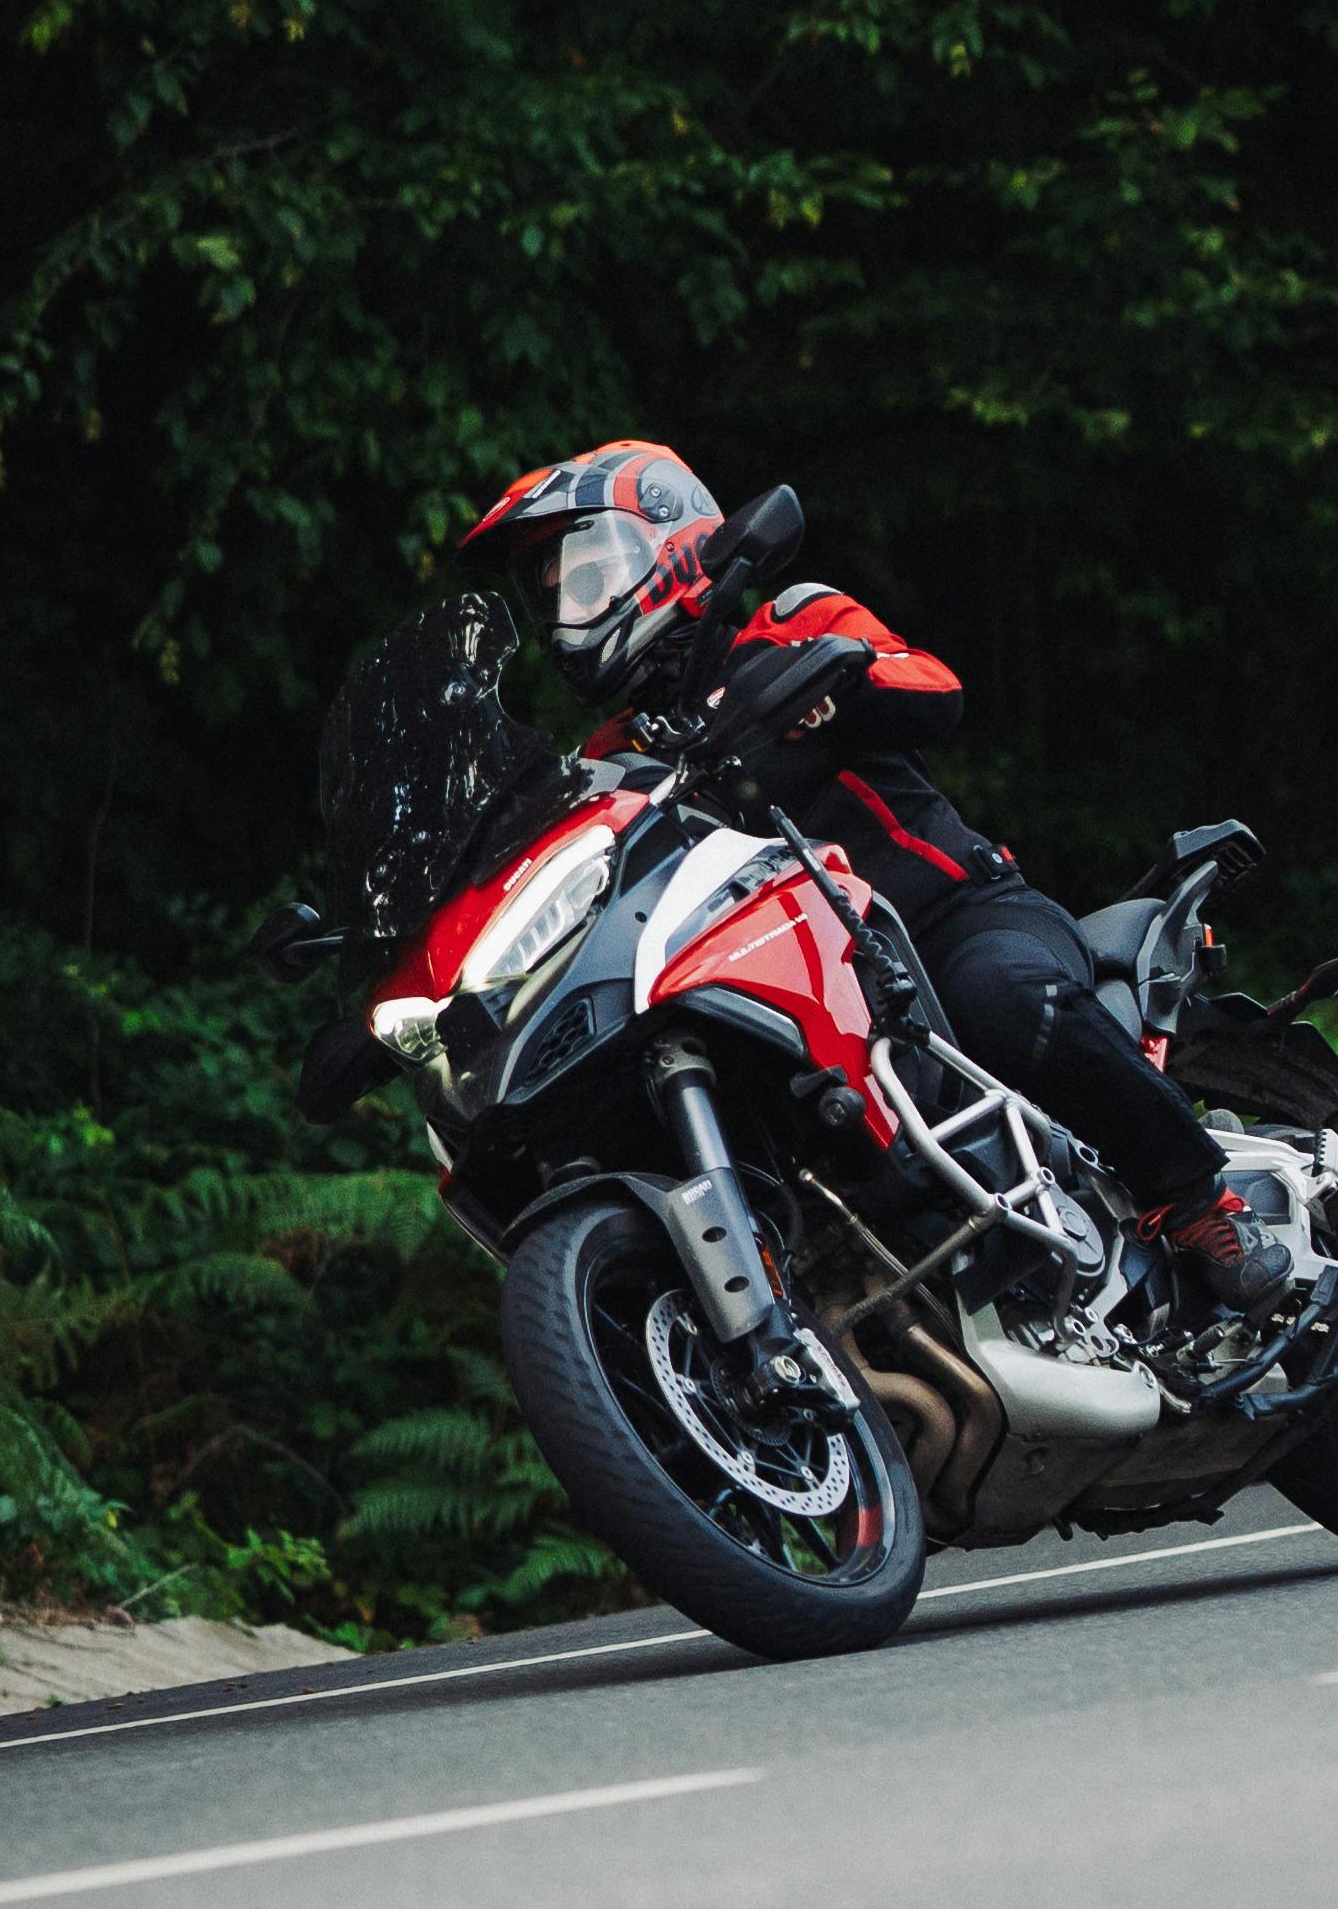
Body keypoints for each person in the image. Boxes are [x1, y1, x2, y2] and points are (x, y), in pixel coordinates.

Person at [461, 442, 1292, 1315]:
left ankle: (1201, 1202)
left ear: (667, 544)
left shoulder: (787, 621)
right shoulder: (611, 759)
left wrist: (842, 680)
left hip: (952, 917)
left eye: (587, 574)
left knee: (1000, 996)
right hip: (805, 984)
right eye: (550, 592)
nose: (567, 611)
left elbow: (933, 688)